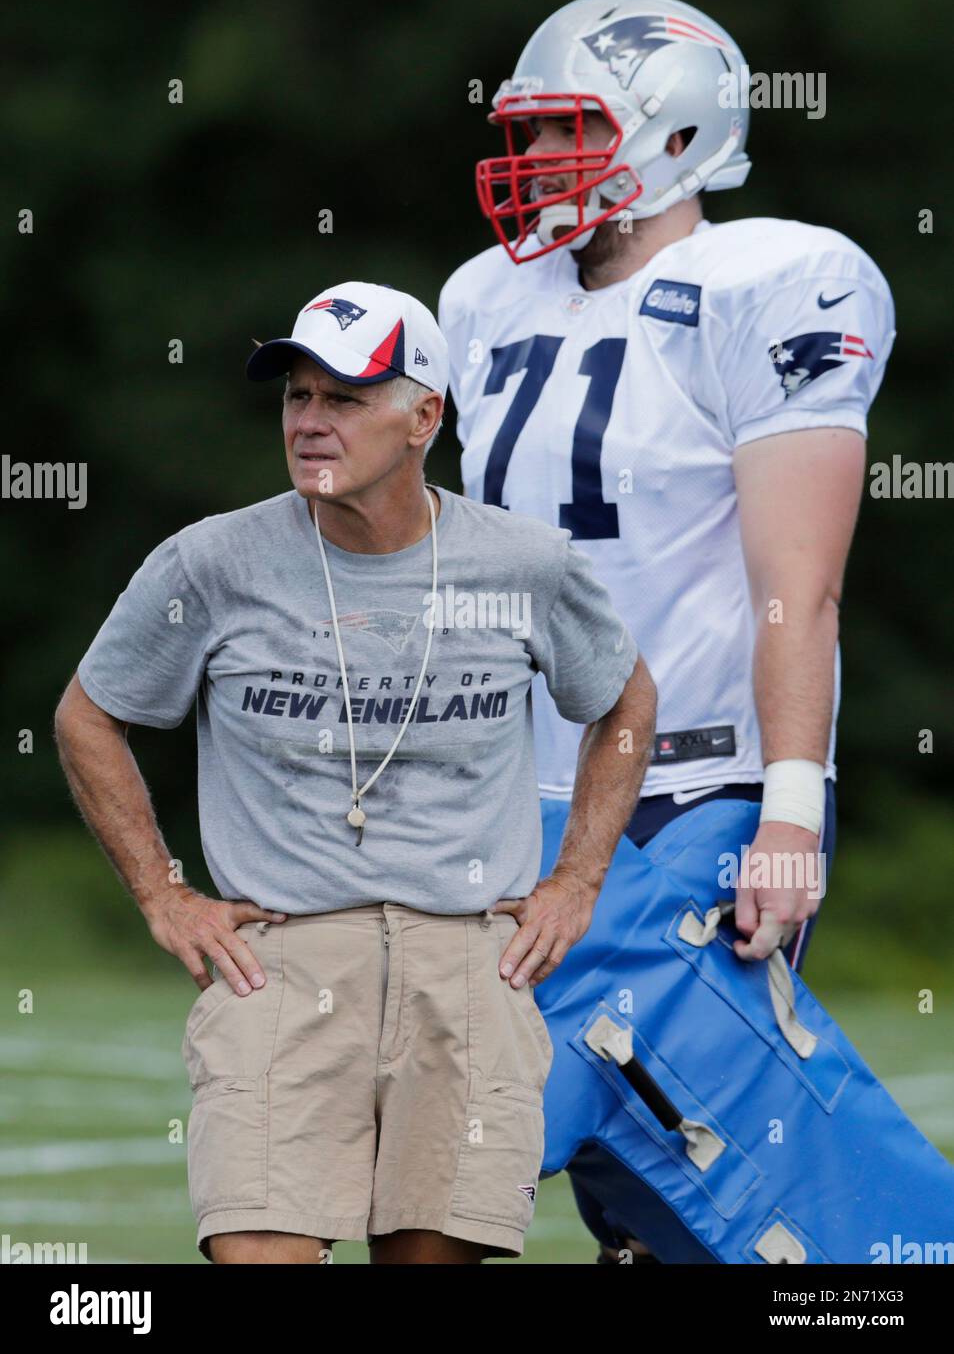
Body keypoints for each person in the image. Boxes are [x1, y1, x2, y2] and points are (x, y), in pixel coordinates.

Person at [53, 280, 656, 1265]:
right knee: (257, 1250)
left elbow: (625, 700)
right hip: (280, 962)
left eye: (345, 398)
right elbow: (88, 715)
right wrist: (166, 895)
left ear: (425, 416)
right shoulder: (210, 563)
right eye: (298, 396)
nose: (311, 423)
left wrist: (578, 878)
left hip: (471, 965)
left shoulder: (525, 564)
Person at [438, 0, 895, 1261]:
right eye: (526, 134)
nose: (532, 162)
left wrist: (791, 812)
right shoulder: (487, 297)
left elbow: (798, 587)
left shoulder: (776, 280)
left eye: (565, 129)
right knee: (638, 1191)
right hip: (528, 796)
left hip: (701, 789)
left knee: (538, 1127)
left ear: (677, 134)